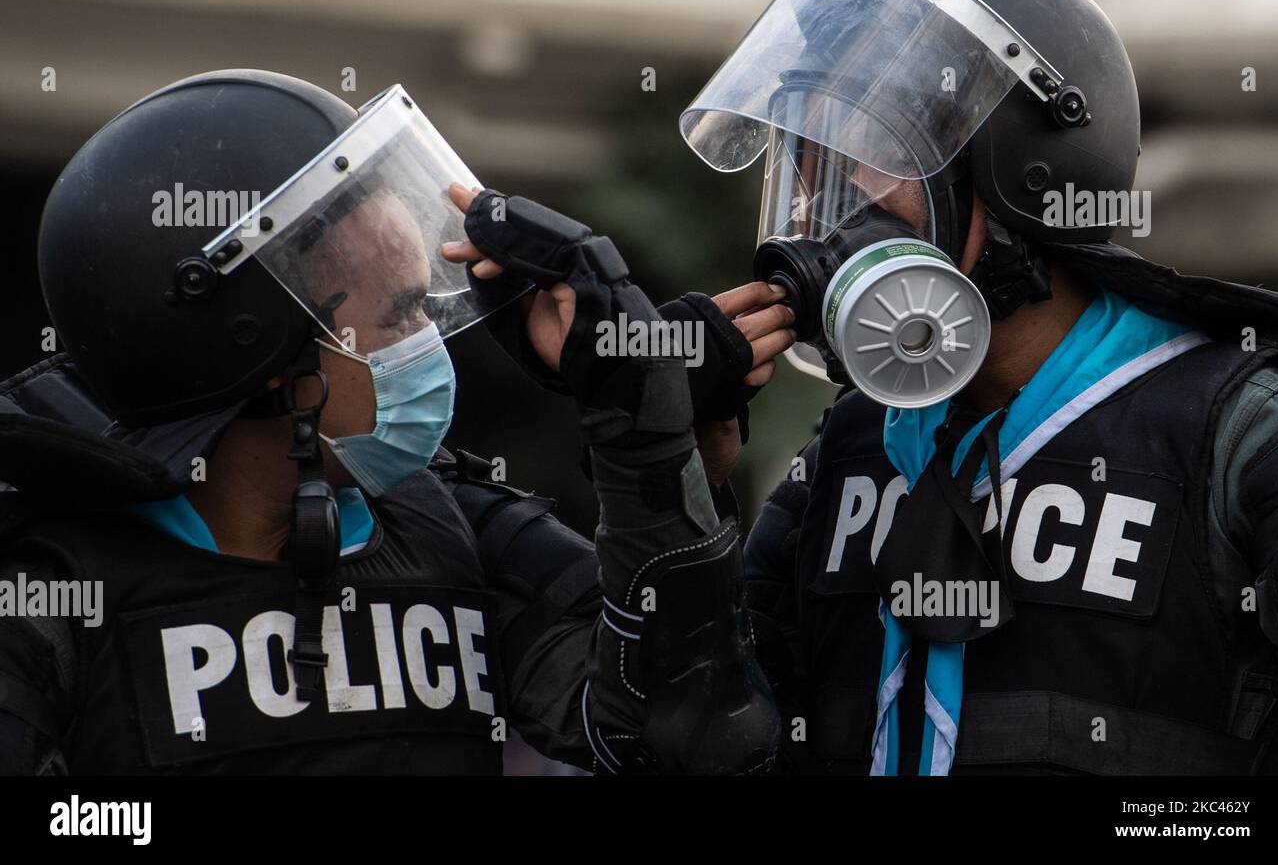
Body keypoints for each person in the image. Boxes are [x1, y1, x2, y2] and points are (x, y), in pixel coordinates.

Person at [466, 0, 1278, 775]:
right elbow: (698, 746)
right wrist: (665, 464)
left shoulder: (1245, 431)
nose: (821, 210)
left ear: (1025, 172)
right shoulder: (852, 446)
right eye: (809, 162)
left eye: (871, 151)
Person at [0, 69, 779, 775]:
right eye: (402, 313)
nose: (431, 345)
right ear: (264, 355)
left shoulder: (457, 529)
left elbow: (690, 745)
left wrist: (648, 441)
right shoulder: (47, 599)